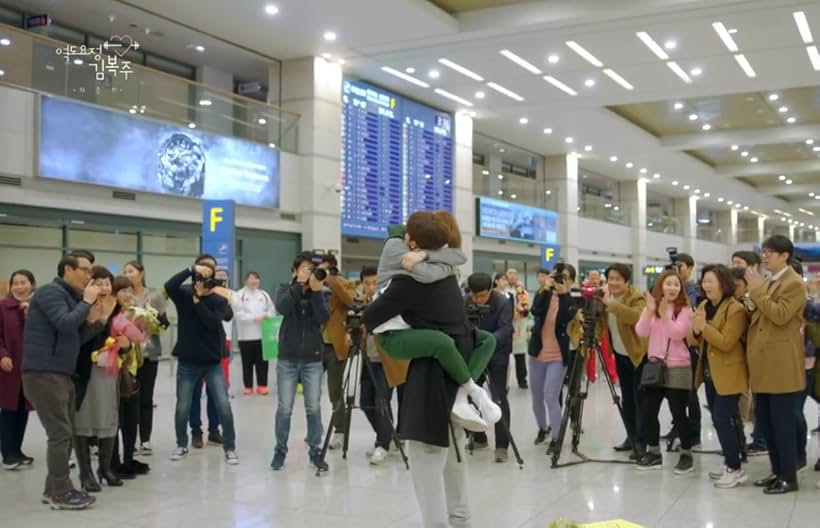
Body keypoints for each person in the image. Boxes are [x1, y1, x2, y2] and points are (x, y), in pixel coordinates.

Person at [364, 211, 493, 528]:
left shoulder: (409, 282)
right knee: (453, 456)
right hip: (455, 373)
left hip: (429, 380)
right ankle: (460, 521)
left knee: (426, 460)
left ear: (414, 243)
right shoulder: (450, 276)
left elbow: (372, 316)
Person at [372, 215, 499, 431]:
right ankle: (474, 392)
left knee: (486, 340)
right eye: (439, 245)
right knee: (442, 343)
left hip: (416, 320)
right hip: (391, 328)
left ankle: (460, 397)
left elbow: (459, 256)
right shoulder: (395, 245)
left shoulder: (421, 247)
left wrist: (425, 254)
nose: (443, 250)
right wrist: (444, 265)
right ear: (414, 239)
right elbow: (426, 275)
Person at [22, 250, 103, 509]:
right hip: (44, 373)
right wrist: (86, 303)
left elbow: (74, 339)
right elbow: (64, 323)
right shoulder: (50, 293)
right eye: (85, 270)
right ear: (67, 270)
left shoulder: (70, 297)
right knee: (60, 433)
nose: (89, 276)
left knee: (64, 433)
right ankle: (61, 492)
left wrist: (95, 322)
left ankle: (53, 488)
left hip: (61, 373)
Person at [745, 235, 806, 495]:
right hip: (764, 362)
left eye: (770, 252)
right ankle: (777, 472)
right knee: (767, 423)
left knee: (782, 424)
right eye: (764, 251)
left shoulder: (793, 283)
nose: (765, 256)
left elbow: (780, 316)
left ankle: (789, 477)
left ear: (785, 255)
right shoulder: (770, 280)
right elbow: (761, 311)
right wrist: (753, 297)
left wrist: (757, 291)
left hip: (781, 364)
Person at [165, 259, 239, 465]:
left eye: (207, 279)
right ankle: (181, 444)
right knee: (183, 405)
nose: (203, 283)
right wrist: (189, 269)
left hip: (212, 362)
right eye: (200, 277)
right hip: (188, 361)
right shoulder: (184, 295)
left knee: (223, 404)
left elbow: (212, 322)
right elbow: (169, 286)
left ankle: (230, 447)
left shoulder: (219, 299)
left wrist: (199, 301)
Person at [690, 264, 750, 488]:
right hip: (709, 374)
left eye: (710, 281)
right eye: (704, 281)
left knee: (722, 420)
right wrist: (697, 329)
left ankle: (734, 468)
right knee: (720, 420)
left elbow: (726, 342)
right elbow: (693, 338)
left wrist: (703, 326)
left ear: (723, 283)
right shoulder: (706, 305)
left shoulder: (736, 309)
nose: (706, 285)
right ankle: (731, 464)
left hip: (729, 374)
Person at [271, 252, 330, 471]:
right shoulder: (284, 288)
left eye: (311, 269)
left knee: (313, 407)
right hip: (287, 357)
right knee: (284, 408)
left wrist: (314, 291)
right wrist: (299, 286)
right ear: (294, 271)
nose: (309, 272)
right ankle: (280, 450)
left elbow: (323, 318)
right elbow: (282, 308)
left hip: (313, 359)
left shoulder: (322, 292)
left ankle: (315, 451)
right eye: (304, 268)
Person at [73, 269, 129, 492]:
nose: (104, 288)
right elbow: (78, 340)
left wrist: (125, 345)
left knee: (109, 419)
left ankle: (104, 469)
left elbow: (124, 340)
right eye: (98, 283)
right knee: (83, 421)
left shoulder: (118, 310)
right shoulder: (81, 308)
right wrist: (99, 320)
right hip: (85, 372)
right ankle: (85, 473)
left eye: (107, 283)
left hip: (109, 372)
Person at [634, 269, 694, 473]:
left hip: (679, 368)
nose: (672, 288)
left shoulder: (685, 310)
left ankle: (686, 453)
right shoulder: (652, 307)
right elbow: (641, 331)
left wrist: (663, 315)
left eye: (676, 284)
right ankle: (654, 452)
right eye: (668, 283)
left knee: (679, 414)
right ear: (660, 285)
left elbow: (677, 334)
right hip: (655, 366)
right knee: (648, 411)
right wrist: (650, 311)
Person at [598, 263, 648, 456]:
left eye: (618, 279)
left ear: (626, 281)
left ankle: (642, 442)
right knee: (627, 399)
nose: (614, 282)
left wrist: (612, 305)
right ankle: (631, 436)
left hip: (637, 356)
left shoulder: (636, 297)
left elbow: (636, 317)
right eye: (611, 278)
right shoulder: (605, 298)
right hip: (620, 354)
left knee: (640, 400)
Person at [464, 272, 514, 462]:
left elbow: (506, 329)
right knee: (469, 394)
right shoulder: (464, 301)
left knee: (498, 398)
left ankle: (502, 445)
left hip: (496, 356)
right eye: (475, 296)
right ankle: (479, 437)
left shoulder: (502, 302)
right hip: (474, 356)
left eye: (483, 296)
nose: (478, 300)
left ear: (491, 290)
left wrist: (488, 341)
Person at [357, 265, 402, 466]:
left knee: (381, 402)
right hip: (368, 360)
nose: (371, 286)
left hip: (386, 360)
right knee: (365, 402)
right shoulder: (362, 303)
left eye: (375, 282)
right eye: (367, 283)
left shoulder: (388, 303)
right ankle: (390, 437)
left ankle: (382, 444)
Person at [122, 261, 168, 457]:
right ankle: (129, 441)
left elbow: (163, 323)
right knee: (128, 398)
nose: (127, 274)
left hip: (149, 353)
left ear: (141, 273)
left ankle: (145, 439)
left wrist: (152, 322)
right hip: (127, 355)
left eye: (131, 271)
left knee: (146, 398)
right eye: (125, 272)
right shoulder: (123, 296)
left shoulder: (154, 295)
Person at [528, 268, 573, 453]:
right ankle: (542, 428)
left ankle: (557, 437)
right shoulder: (543, 294)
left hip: (557, 355)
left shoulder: (571, 298)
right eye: (557, 277)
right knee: (536, 396)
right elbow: (535, 309)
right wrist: (546, 288)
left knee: (550, 395)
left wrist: (563, 295)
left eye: (565, 278)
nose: (559, 281)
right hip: (537, 353)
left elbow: (565, 318)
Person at [318, 254, 359, 450]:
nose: (321, 274)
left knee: (335, 390)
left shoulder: (345, 284)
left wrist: (334, 283)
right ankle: (315, 431)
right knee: (312, 392)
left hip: (336, 345)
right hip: (316, 344)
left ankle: (340, 431)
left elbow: (352, 302)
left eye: (325, 270)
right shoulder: (314, 285)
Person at [0, 270, 35, 470]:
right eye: (16, 283)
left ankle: (17, 450)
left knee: (23, 409)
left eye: (24, 282)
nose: (20, 287)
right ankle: (7, 454)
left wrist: (31, 314)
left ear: (32, 285)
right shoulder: (2, 307)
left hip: (30, 368)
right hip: (9, 367)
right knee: (9, 409)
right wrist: (2, 354)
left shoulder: (36, 309)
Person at [669, 252, 702, 449]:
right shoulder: (675, 287)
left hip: (689, 345)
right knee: (675, 391)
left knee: (690, 392)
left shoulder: (693, 290)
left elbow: (689, 312)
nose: (677, 271)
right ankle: (679, 427)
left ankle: (694, 431)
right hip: (673, 346)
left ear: (689, 268)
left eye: (680, 267)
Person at [233, 271, 275, 395]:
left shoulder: (264, 294)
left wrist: (266, 315)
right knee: (247, 363)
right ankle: (248, 386)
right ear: (246, 280)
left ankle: (262, 385)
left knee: (263, 362)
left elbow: (272, 309)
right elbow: (238, 315)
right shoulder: (239, 295)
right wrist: (255, 317)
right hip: (245, 336)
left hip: (263, 335)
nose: (254, 281)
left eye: (256, 279)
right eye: (251, 279)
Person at [507, 268, 530, 389]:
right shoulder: (502, 291)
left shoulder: (522, 292)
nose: (512, 276)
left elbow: (526, 309)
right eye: (510, 273)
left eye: (515, 273)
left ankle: (522, 380)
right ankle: (503, 380)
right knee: (504, 355)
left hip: (519, 326)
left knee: (520, 355)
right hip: (505, 325)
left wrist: (520, 313)